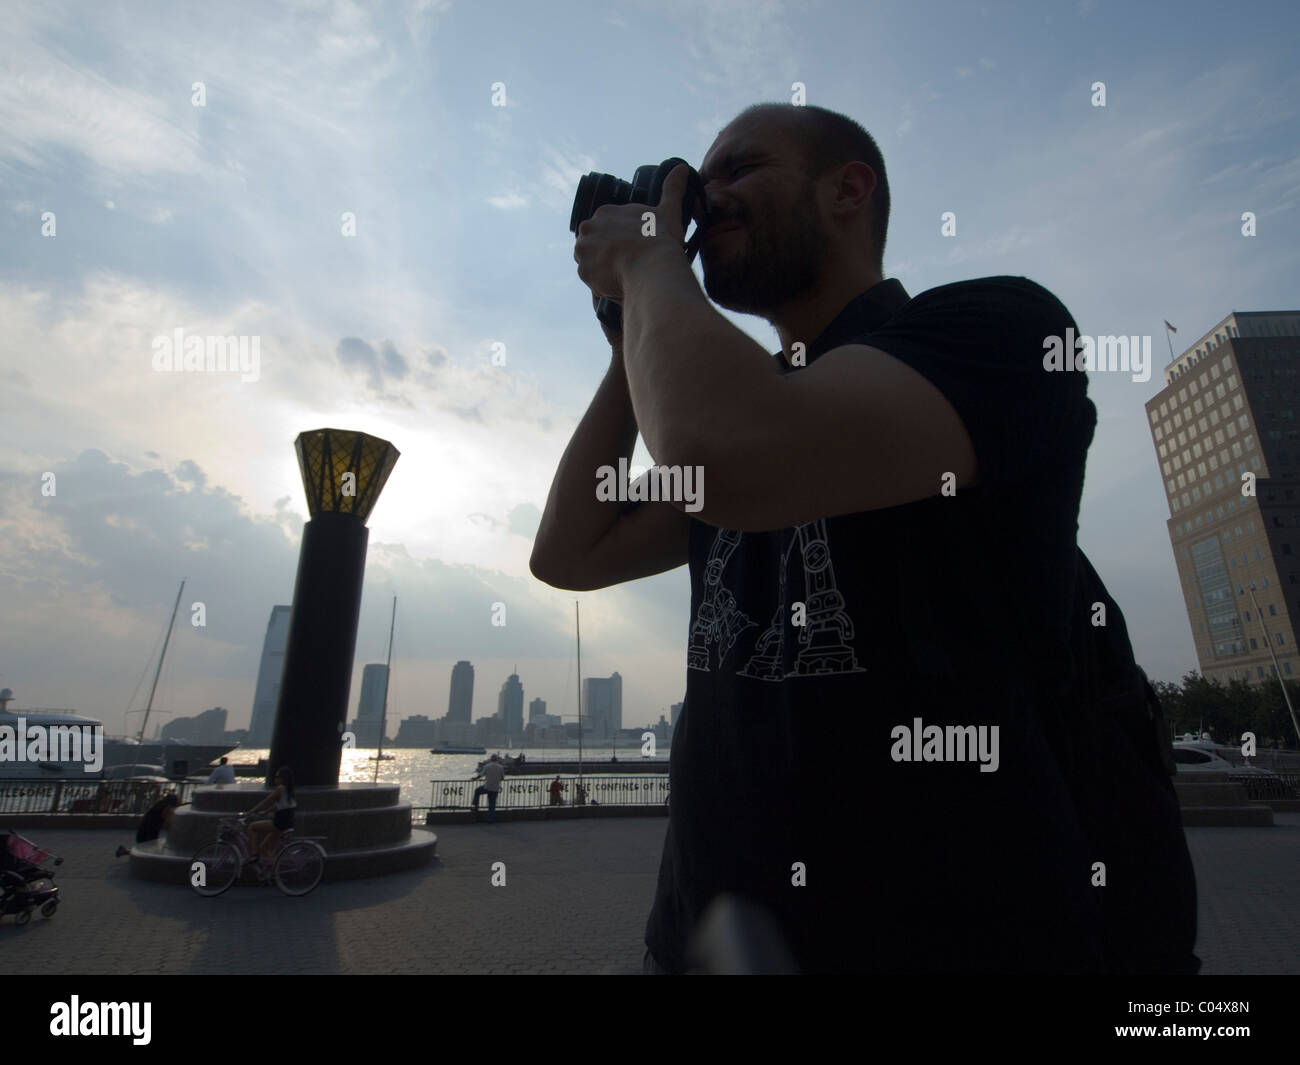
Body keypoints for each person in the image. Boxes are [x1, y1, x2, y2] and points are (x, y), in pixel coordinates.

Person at [540, 102, 1199, 974]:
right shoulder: (735, 395)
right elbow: (572, 548)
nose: (708, 198)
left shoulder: (999, 330)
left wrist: (651, 257)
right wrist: (632, 329)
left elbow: (724, 442)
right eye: (701, 186)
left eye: (740, 169)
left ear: (850, 188)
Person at [244, 766, 296, 873]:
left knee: (252, 827)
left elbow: (266, 801)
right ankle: (272, 871)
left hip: (279, 822)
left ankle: (254, 855)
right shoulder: (290, 791)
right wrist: (266, 812)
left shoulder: (280, 789)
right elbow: (278, 805)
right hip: (287, 822)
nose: (275, 778)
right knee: (264, 848)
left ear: (282, 779)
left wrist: (250, 812)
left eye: (277, 776)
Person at [115, 792, 179, 857]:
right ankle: (124, 851)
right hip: (151, 830)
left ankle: (124, 851)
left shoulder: (159, 804)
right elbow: (167, 822)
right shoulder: (167, 808)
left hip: (145, 827)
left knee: (147, 849)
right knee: (148, 851)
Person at [471, 754, 505, 822]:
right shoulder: (501, 767)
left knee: (477, 791)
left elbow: (481, 775)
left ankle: (475, 805)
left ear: (491, 759)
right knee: (492, 804)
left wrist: (475, 778)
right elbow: (502, 778)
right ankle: (490, 819)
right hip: (495, 788)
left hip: (487, 787)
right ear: (497, 759)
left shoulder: (487, 766)